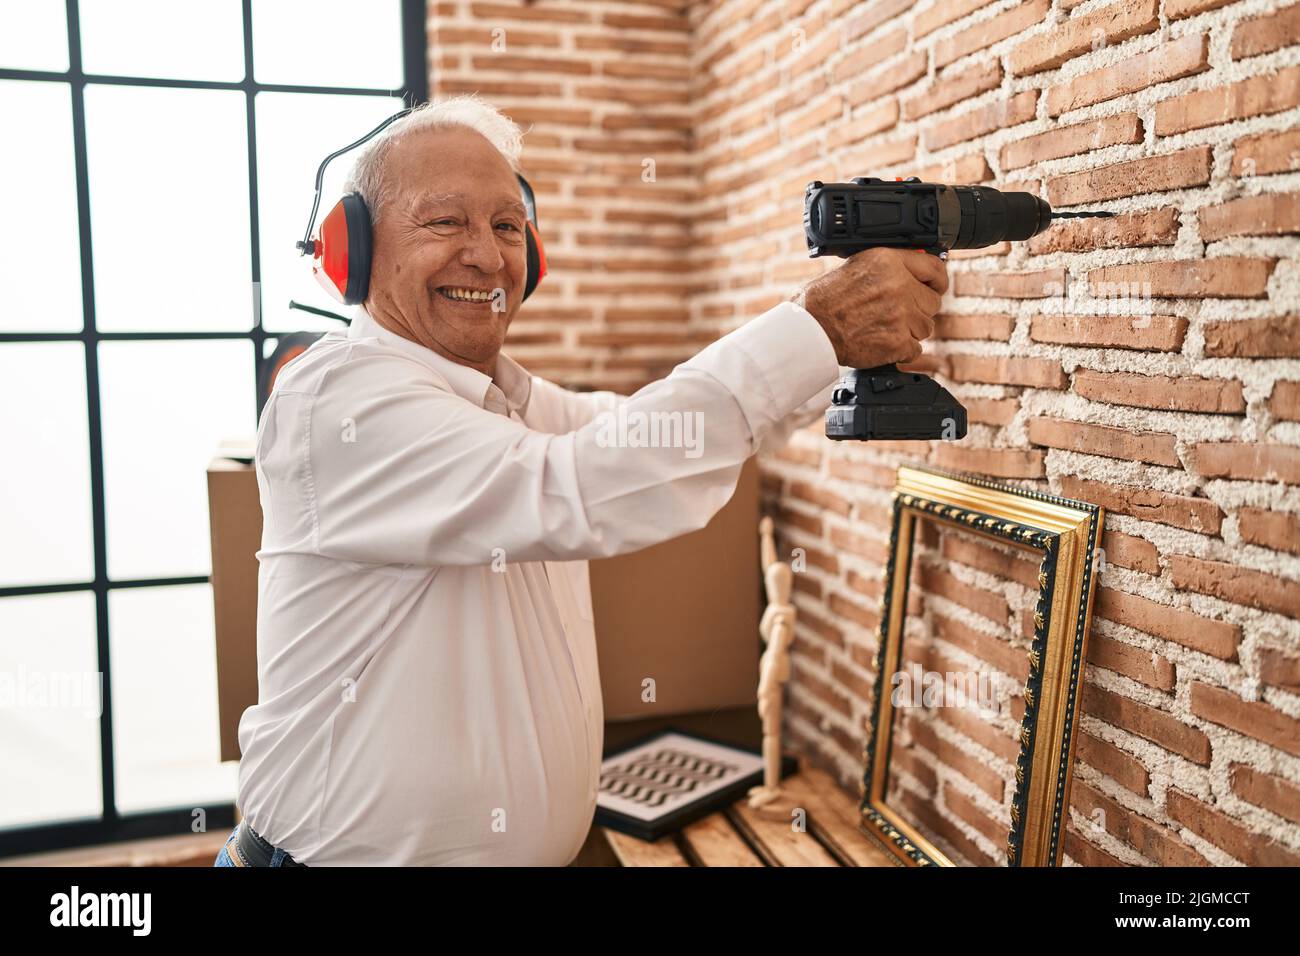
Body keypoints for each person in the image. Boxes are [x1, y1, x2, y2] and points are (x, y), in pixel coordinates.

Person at [219, 95, 946, 866]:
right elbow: (581, 484)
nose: (487, 255)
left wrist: (837, 352)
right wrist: (817, 327)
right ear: (354, 251)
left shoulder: (504, 400)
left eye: (507, 226)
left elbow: (651, 439)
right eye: (445, 222)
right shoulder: (338, 397)